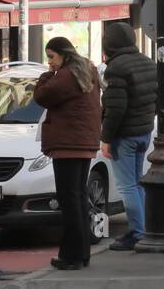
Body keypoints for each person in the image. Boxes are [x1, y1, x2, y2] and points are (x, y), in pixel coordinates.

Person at [33, 37, 102, 271]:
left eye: (51, 56)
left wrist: (45, 75)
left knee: (69, 199)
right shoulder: (86, 70)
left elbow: (41, 96)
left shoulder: (66, 75)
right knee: (78, 198)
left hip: (68, 143)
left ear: (63, 54)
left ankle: (72, 255)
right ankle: (80, 253)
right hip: (82, 143)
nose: (49, 62)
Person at [100, 22, 157, 251]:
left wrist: (105, 138)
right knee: (137, 183)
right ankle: (144, 227)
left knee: (127, 187)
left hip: (124, 136)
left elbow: (115, 109)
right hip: (144, 131)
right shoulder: (147, 62)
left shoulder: (116, 69)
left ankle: (137, 232)